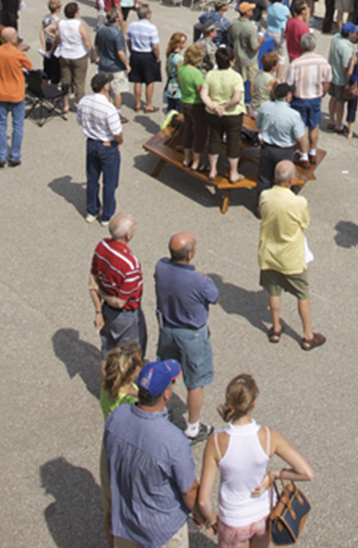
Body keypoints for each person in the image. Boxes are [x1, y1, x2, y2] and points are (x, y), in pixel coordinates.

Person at [197, 373, 314, 548]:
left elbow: (203, 500)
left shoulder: (215, 442)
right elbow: (307, 473)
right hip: (263, 515)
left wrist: (213, 521)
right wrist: (273, 475)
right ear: (253, 404)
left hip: (234, 520)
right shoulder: (269, 436)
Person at [103, 360, 203, 547]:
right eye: (172, 383)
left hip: (126, 527)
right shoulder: (174, 440)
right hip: (162, 533)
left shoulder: (116, 417)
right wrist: (202, 516)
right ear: (166, 394)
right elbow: (189, 490)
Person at [154, 231, 220, 442]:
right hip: (191, 334)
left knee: (167, 372)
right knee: (195, 381)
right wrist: (207, 279)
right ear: (189, 254)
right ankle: (192, 427)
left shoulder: (161, 267)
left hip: (168, 328)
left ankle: (160, 410)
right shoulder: (199, 281)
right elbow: (215, 298)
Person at [259, 160, 325, 350]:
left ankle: (276, 328)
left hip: (270, 253)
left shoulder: (265, 196)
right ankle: (307, 335)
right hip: (292, 256)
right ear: (290, 180)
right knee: (302, 295)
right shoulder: (298, 202)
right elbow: (304, 223)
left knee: (273, 291)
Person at [89, 214, 148, 354]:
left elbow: (92, 280)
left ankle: (107, 377)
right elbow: (120, 302)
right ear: (127, 235)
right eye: (133, 227)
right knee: (131, 356)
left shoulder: (102, 246)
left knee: (107, 351)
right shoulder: (130, 264)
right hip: (125, 315)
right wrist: (102, 293)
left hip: (106, 310)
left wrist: (98, 311)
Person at [79, 72, 125, 222]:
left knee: (92, 179)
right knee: (110, 183)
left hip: (91, 142)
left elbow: (80, 121)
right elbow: (117, 132)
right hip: (107, 145)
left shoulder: (84, 101)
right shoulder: (108, 108)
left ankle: (91, 211)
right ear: (105, 87)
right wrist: (118, 142)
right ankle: (106, 215)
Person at [201, 46, 246, 183]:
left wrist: (214, 107)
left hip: (213, 114)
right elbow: (236, 98)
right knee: (233, 143)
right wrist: (224, 107)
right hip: (232, 114)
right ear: (231, 61)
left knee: (214, 140)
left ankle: (213, 169)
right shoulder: (236, 76)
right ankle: (234, 172)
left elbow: (203, 94)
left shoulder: (210, 75)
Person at [255, 82, 309, 195]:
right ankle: (281, 206)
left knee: (264, 179)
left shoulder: (265, 106)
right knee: (284, 182)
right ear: (288, 96)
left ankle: (261, 207)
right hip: (284, 151)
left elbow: (258, 123)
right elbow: (300, 138)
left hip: (267, 148)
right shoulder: (293, 115)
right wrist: (304, 153)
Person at [287, 32, 330, 157]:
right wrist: (322, 93)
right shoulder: (322, 61)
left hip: (299, 98)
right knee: (313, 126)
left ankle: (303, 153)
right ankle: (312, 150)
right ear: (314, 45)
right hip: (315, 97)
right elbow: (327, 80)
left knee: (299, 128)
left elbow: (290, 83)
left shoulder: (296, 63)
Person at [0, 25, 31, 168]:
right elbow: (29, 66)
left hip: (1, 92)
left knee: (1, 125)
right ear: (13, 39)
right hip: (16, 93)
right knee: (17, 125)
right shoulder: (17, 53)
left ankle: (1, 155)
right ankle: (15, 155)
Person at [178, 43, 209, 171]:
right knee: (199, 133)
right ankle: (196, 161)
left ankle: (187, 158)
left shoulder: (181, 68)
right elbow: (201, 91)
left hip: (184, 101)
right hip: (196, 105)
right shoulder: (196, 73)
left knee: (188, 129)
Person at [125, 3, 161, 114]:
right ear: (147, 15)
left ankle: (137, 104)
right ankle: (148, 105)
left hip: (136, 54)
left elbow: (129, 41)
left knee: (137, 80)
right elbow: (155, 46)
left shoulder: (132, 25)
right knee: (149, 81)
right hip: (147, 55)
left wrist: (131, 51)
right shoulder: (151, 28)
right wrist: (157, 57)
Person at [326, 20, 358, 133]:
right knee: (340, 101)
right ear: (349, 34)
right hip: (340, 78)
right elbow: (346, 67)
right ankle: (339, 124)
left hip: (332, 74)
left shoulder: (336, 38)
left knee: (333, 97)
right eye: (354, 32)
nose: (356, 34)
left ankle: (331, 120)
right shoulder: (346, 47)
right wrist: (348, 81)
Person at [95, 9, 130, 112]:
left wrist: (99, 56)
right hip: (116, 67)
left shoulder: (101, 29)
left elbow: (96, 46)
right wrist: (126, 64)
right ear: (116, 19)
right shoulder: (117, 33)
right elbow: (120, 52)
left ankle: (106, 110)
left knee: (106, 90)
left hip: (103, 65)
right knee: (117, 91)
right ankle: (117, 113)